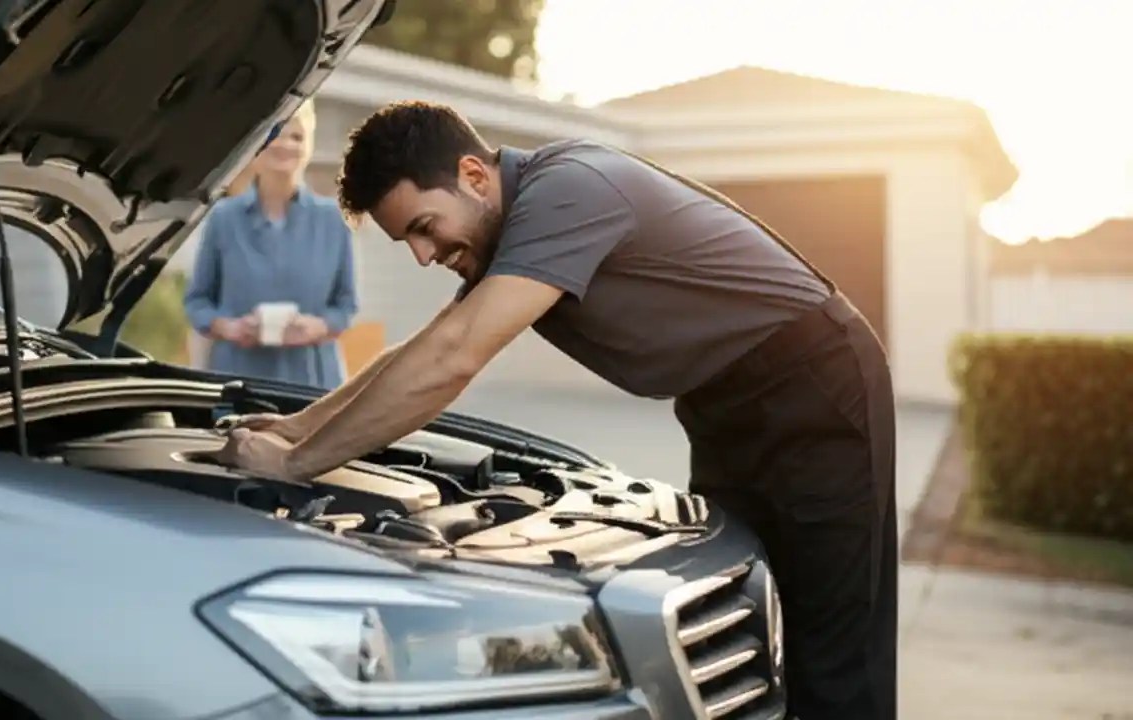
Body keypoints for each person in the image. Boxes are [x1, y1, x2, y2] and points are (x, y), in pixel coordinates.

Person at [215, 100, 897, 720]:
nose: (424, 256)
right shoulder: (506, 231)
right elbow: (418, 352)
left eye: (424, 228)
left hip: (814, 386)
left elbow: (454, 358)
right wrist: (297, 425)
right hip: (725, 405)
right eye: (409, 243)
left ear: (475, 176)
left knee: (834, 658)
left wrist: (300, 464)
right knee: (739, 625)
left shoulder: (569, 190)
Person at [183, 102, 358, 389]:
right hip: (238, 381)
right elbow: (197, 302)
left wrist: (316, 327)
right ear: (255, 145)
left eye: (297, 136)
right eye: (276, 134)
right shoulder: (223, 219)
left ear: (309, 146)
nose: (285, 144)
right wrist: (230, 328)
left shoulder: (333, 220)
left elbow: (346, 306)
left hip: (312, 386)